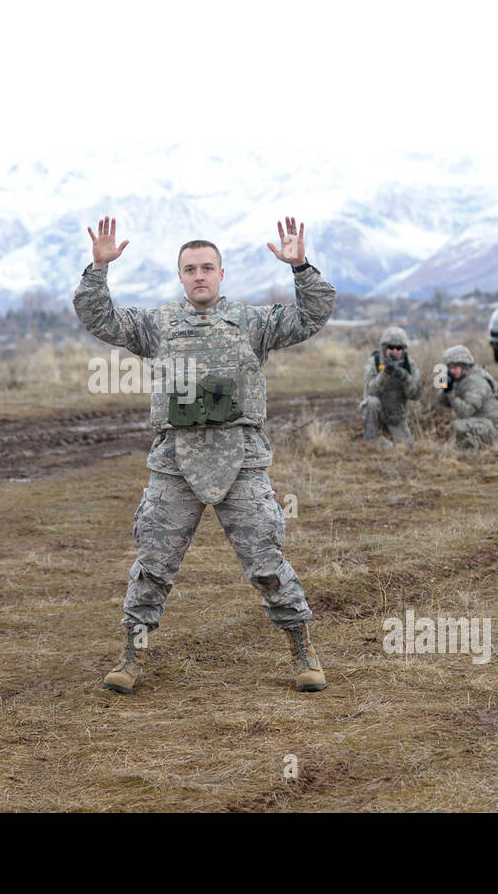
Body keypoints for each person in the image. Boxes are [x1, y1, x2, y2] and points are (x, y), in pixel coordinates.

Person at [75, 216, 334, 695]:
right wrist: (98, 269)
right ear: (180, 276)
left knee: (266, 561)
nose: (199, 275)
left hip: (241, 459)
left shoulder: (253, 323)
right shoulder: (157, 325)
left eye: (207, 267)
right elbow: (100, 320)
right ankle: (131, 658)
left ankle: (304, 653)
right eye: (190, 268)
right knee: (154, 561)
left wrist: (300, 268)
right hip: (175, 462)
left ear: (221, 273)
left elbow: (311, 317)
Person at [359, 326, 421, 445]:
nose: (395, 352)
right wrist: (385, 374)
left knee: (407, 447)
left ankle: (389, 437)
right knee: (371, 402)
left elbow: (415, 395)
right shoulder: (374, 362)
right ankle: (370, 439)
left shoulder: (409, 365)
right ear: (384, 348)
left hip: (396, 418)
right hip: (377, 415)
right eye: (391, 348)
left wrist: (405, 377)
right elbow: (370, 391)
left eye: (399, 348)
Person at [436, 345, 498, 450]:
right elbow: (442, 403)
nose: (452, 371)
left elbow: (465, 412)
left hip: (490, 426)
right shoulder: (460, 378)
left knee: (458, 426)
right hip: (478, 422)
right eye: (449, 368)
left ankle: (471, 449)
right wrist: (444, 388)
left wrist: (450, 392)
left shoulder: (477, 382)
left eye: (455, 367)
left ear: (464, 366)